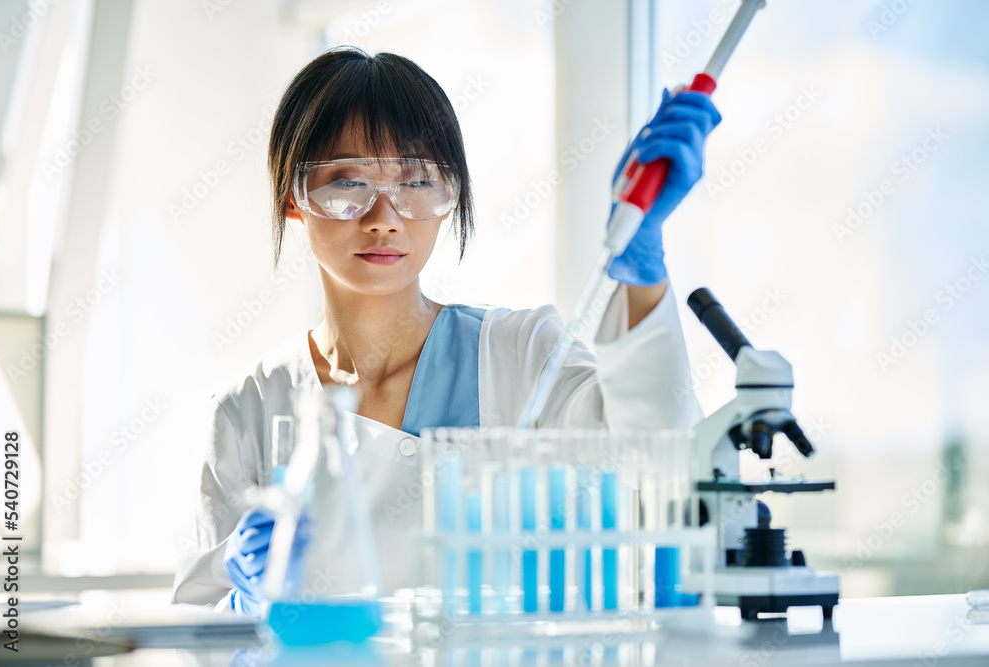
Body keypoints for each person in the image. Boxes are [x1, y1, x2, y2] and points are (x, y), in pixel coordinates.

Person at [171, 46, 720, 614]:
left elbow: (663, 465)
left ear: (448, 198)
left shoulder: (524, 354)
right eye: (346, 182)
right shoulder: (248, 409)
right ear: (293, 197)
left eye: (417, 180)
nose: (384, 216)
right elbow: (199, 630)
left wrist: (641, 271)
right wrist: (238, 599)